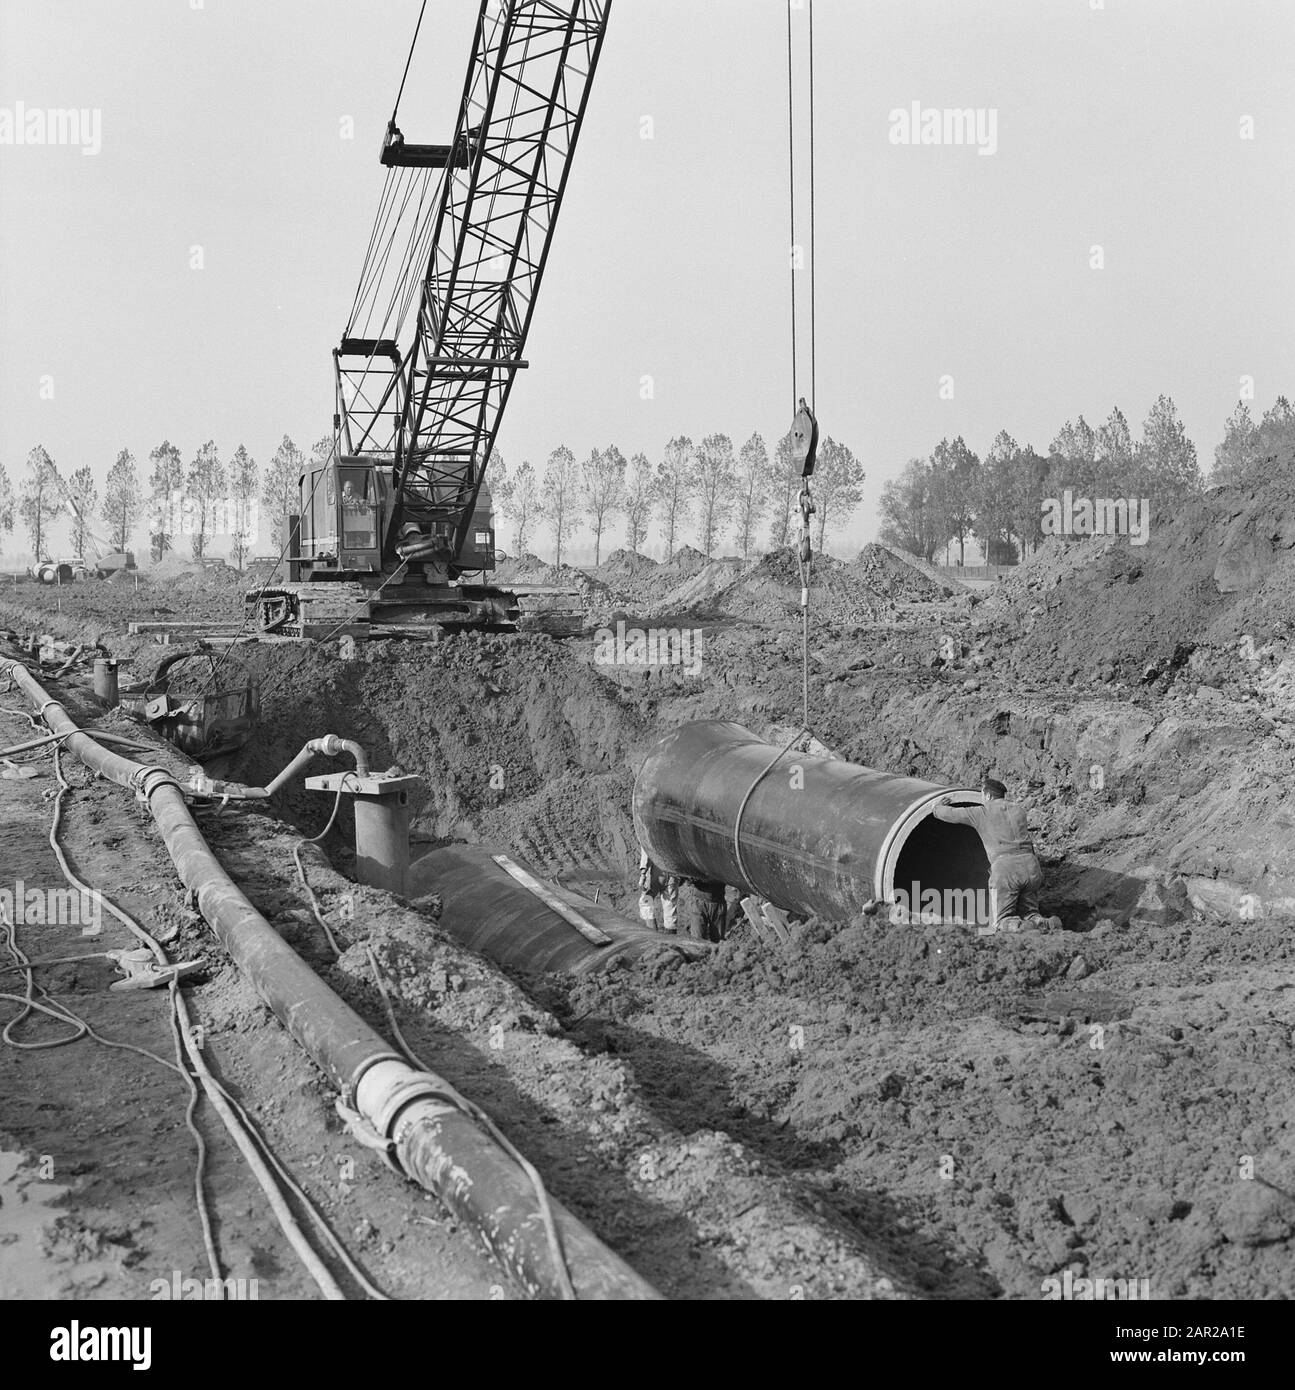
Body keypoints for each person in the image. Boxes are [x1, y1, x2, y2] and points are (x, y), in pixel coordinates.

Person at [933, 777, 1062, 933]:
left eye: (982, 795)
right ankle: (1044, 923)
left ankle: (1017, 927)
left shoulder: (981, 812)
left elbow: (949, 814)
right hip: (1031, 866)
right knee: (1030, 912)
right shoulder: (1018, 810)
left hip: (1006, 870)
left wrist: (937, 807)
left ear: (987, 796)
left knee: (1003, 920)